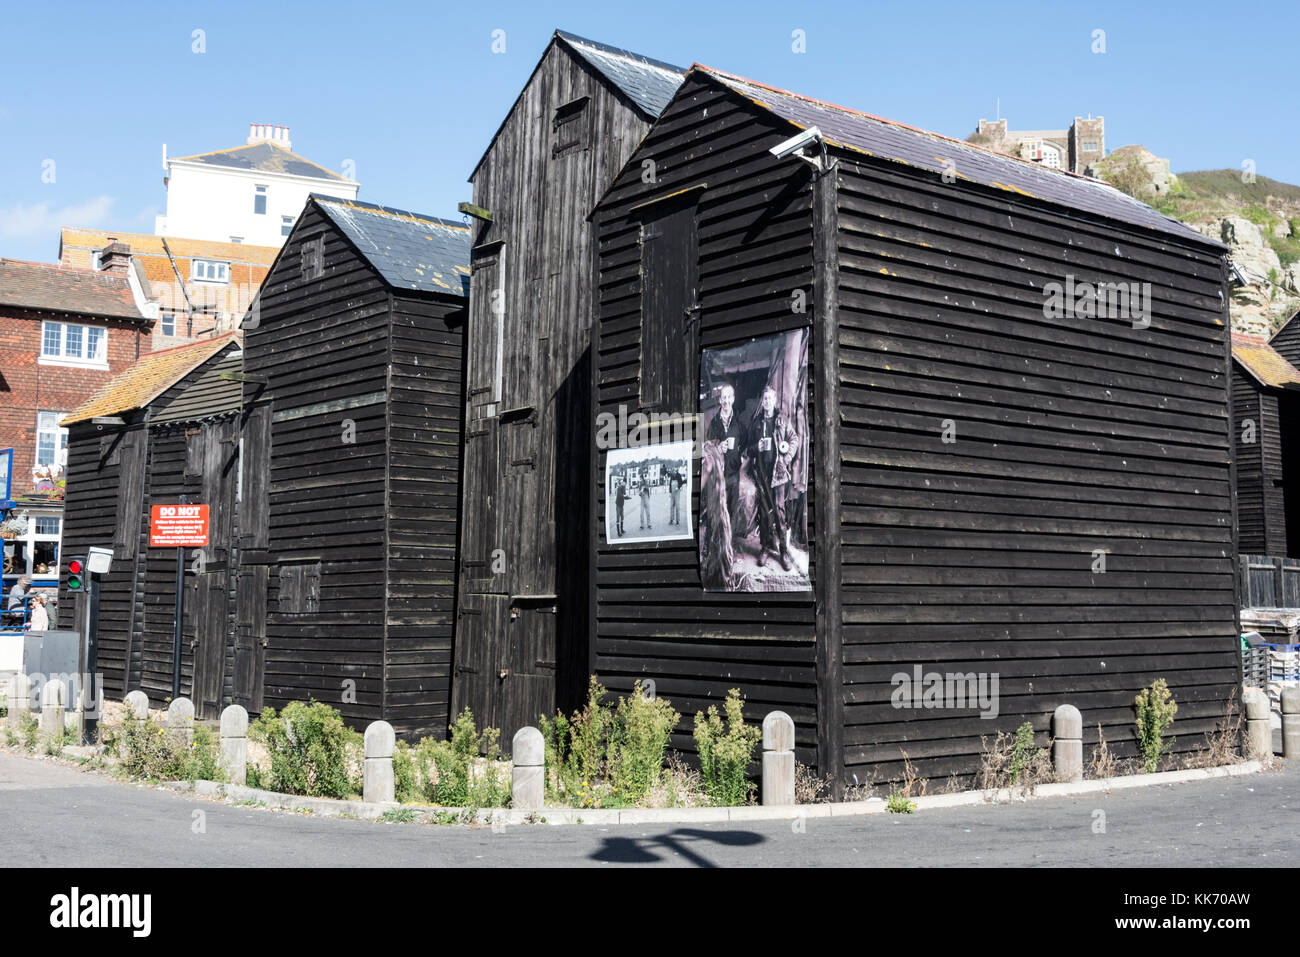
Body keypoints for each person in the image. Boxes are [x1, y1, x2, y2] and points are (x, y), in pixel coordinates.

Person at [747, 386, 798, 570]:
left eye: (770, 399)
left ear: (775, 401)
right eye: (765, 399)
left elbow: (794, 440)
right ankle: (766, 547)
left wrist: (786, 459)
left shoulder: (782, 420)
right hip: (761, 474)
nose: (767, 402)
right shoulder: (756, 423)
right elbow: (748, 449)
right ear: (763, 401)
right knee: (763, 512)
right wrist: (756, 448)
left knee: (779, 512)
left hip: (778, 474)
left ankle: (783, 551)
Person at [705, 384, 746, 534]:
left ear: (733, 399)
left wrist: (739, 456)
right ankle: (713, 546)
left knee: (732, 510)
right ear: (720, 400)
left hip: (734, 474)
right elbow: (707, 447)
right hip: (718, 475)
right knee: (715, 509)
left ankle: (731, 546)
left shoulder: (739, 424)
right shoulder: (714, 423)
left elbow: (745, 443)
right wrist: (718, 447)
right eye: (724, 397)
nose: (726, 401)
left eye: (729, 397)